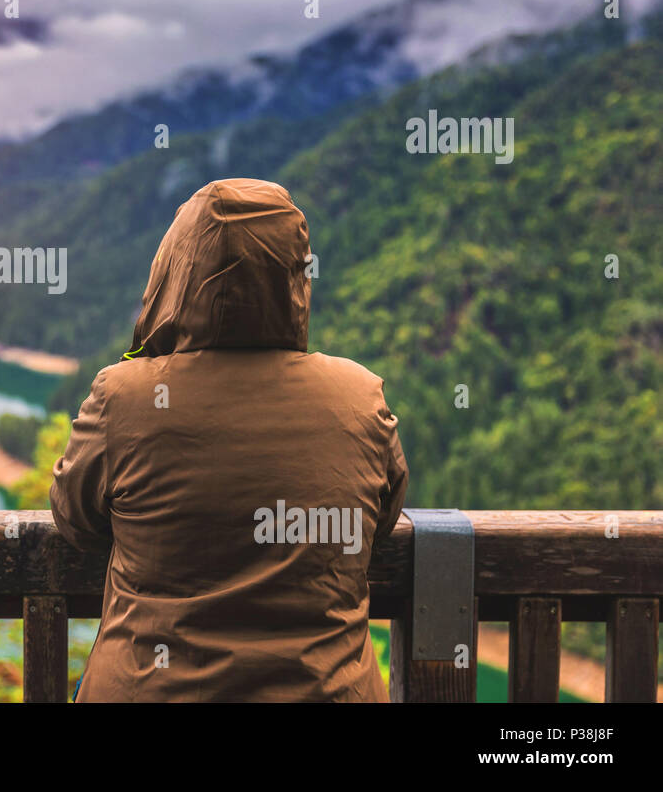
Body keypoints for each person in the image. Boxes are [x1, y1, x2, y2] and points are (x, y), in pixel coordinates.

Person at [51, 178, 408, 702]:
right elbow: (380, 520)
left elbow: (74, 518)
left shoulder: (124, 396)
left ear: (174, 271)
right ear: (295, 277)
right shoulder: (358, 395)